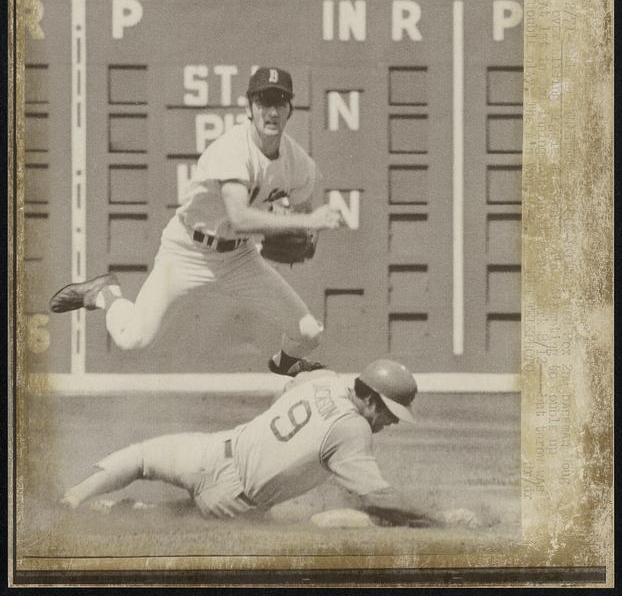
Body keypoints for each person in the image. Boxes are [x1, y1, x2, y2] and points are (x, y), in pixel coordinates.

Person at [50, 67, 342, 374]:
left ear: (290, 110)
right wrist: (306, 222)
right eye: (264, 102)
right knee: (132, 338)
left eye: (280, 102)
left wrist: (307, 238)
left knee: (309, 333)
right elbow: (240, 217)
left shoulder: (298, 164)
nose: (271, 111)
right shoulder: (232, 149)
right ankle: (105, 294)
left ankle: (284, 365)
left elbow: (303, 214)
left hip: (239, 259)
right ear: (249, 108)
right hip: (187, 252)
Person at [61, 359, 438, 526]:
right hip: (235, 502)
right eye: (390, 411)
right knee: (205, 519)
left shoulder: (325, 379)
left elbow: (288, 376)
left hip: (213, 450)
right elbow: (378, 498)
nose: (391, 421)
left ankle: (73, 498)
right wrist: (436, 521)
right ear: (370, 398)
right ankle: (126, 512)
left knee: (140, 457)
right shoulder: (352, 429)